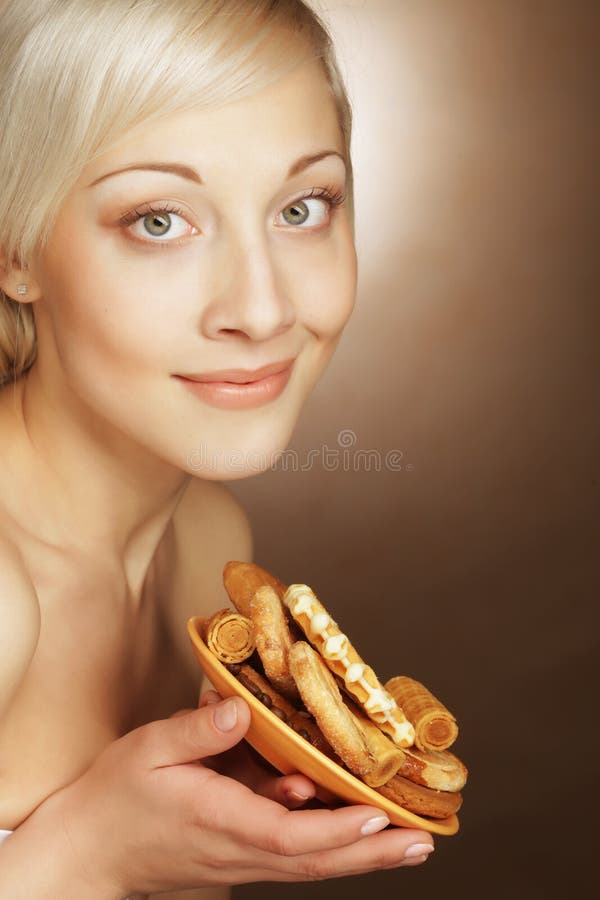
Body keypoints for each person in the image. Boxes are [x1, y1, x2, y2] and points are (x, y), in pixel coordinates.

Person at [0, 1, 435, 896]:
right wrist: (94, 850)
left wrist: (198, 842)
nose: (263, 309)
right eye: (160, 221)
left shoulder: (209, 540)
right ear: (15, 249)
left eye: (302, 207)